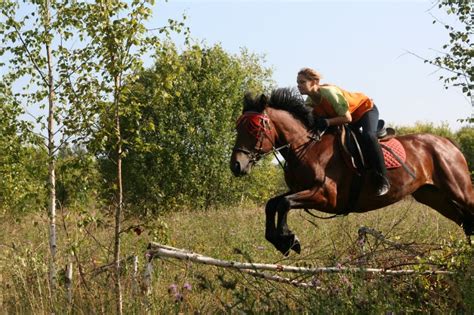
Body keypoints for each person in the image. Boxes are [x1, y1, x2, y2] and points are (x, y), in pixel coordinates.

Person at [296, 67, 390, 196]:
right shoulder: (310, 102)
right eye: (297, 82)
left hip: (365, 111)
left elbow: (347, 118)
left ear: (313, 82)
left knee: (368, 136)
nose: (298, 86)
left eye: (302, 82)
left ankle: (383, 179)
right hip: (348, 119)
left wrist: (327, 122)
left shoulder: (329, 93)